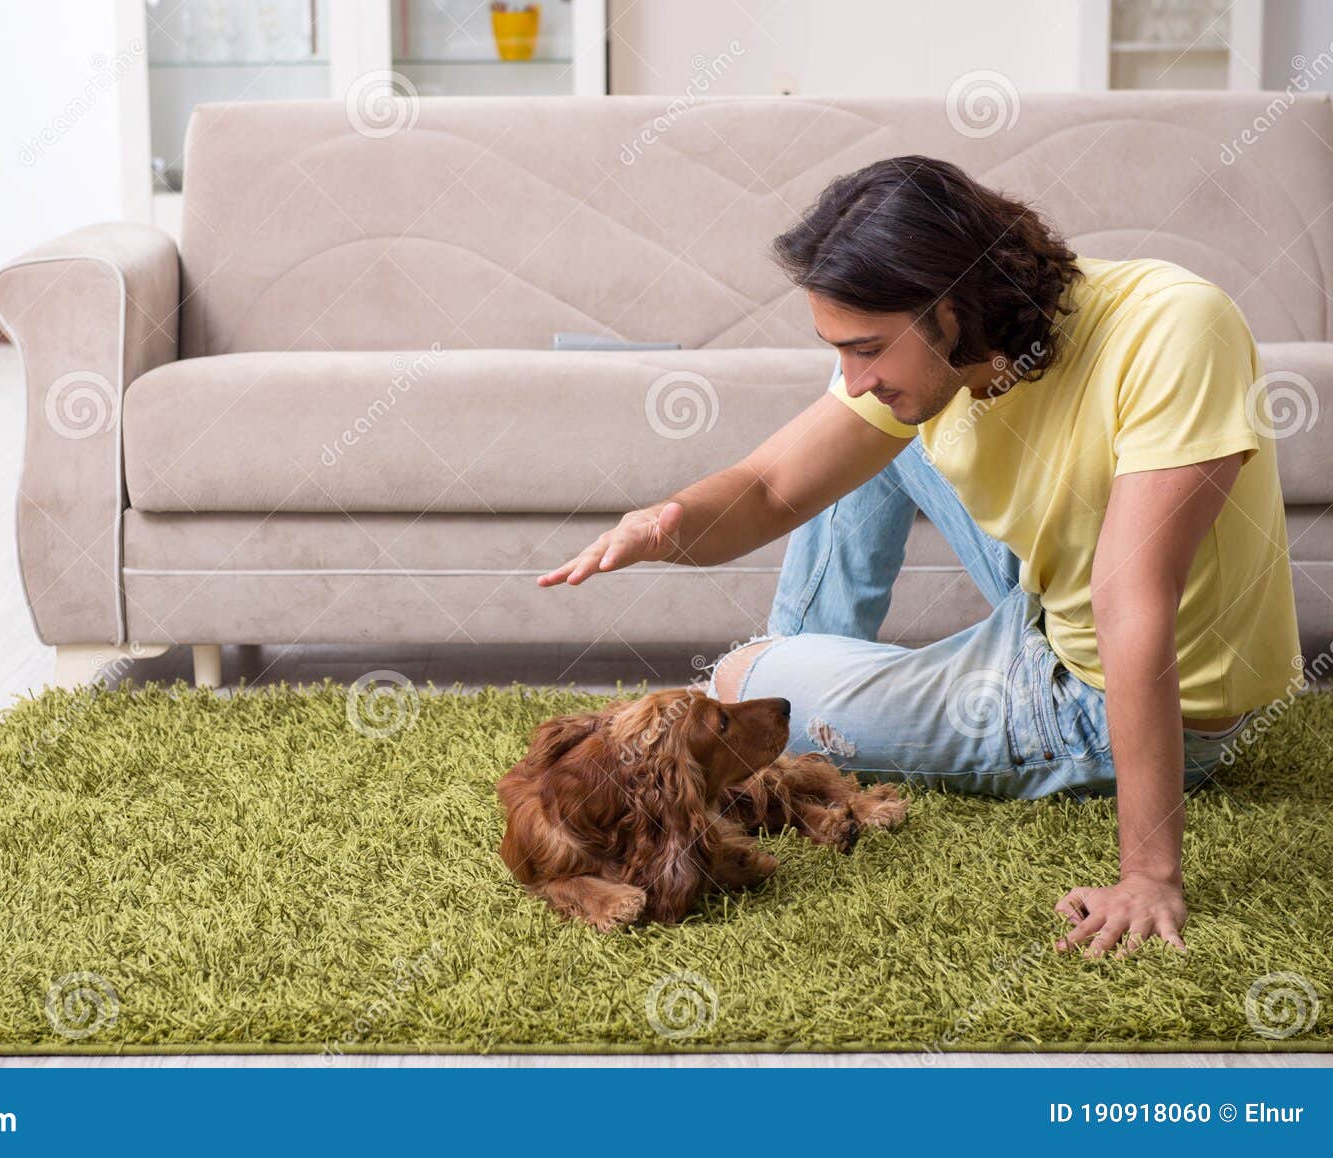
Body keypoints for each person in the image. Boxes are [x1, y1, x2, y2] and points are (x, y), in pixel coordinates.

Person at [535, 155, 1301, 960]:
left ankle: (773, 692)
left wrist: (1148, 876)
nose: (853, 378)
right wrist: (666, 525)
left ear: (952, 310)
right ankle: (792, 704)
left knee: (737, 680)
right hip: (1051, 599)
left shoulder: (1174, 327)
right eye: (839, 350)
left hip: (1107, 694)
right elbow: (767, 488)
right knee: (884, 437)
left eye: (866, 348)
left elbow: (1131, 599)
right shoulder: (952, 355)